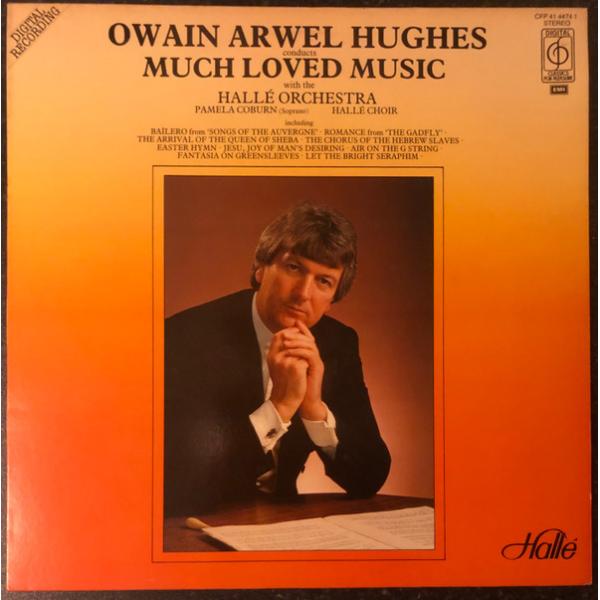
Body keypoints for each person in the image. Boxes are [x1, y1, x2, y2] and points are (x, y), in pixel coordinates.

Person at [164, 204, 390, 517]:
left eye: (324, 281)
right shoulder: (185, 336)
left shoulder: (338, 343)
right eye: (293, 268)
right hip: (198, 523)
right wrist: (280, 407)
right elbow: (184, 485)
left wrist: (313, 409)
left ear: (332, 300)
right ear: (260, 267)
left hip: (282, 524)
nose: (303, 294)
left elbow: (369, 477)